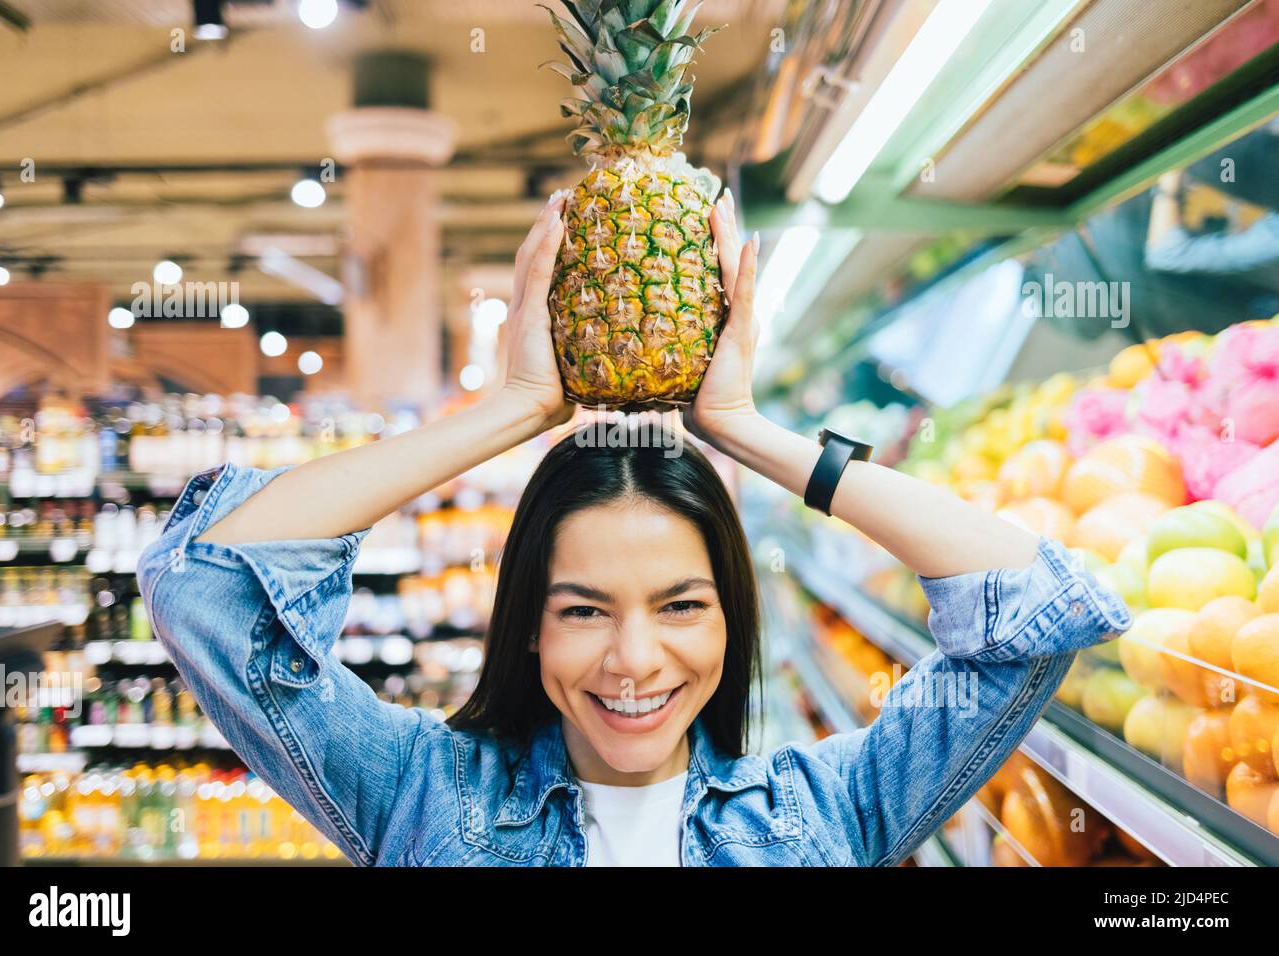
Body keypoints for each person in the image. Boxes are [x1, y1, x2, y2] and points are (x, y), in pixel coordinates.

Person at [137, 189, 1131, 866]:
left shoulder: (816, 813)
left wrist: (748, 433)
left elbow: (1041, 604)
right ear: (527, 621)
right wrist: (511, 408)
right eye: (583, 608)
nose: (634, 658)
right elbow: (210, 586)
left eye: (680, 603)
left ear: (731, 618)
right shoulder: (422, 795)